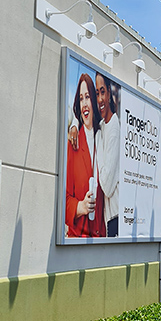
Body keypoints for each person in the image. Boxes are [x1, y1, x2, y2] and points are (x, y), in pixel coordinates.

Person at [65, 73, 105, 237]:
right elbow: (64, 197)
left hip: (103, 240)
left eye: (87, 97)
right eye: (81, 98)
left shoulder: (104, 139)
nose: (84, 104)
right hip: (79, 240)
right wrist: (79, 207)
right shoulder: (73, 144)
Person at [95, 72, 120, 237]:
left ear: (109, 94)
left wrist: (97, 141)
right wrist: (74, 124)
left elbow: (107, 185)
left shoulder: (114, 129)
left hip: (116, 217)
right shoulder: (102, 125)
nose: (100, 99)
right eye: (97, 93)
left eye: (102, 92)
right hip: (106, 218)